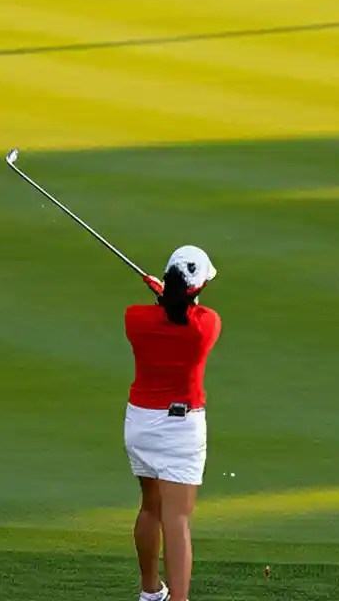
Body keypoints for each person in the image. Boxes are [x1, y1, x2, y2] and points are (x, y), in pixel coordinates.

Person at [123, 245, 221, 601]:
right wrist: (169, 296)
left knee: (150, 505)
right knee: (177, 519)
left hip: (140, 425)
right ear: (196, 291)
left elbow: (160, 314)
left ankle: (150, 592)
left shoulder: (134, 319)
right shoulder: (206, 327)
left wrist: (162, 298)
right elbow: (190, 314)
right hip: (181, 429)